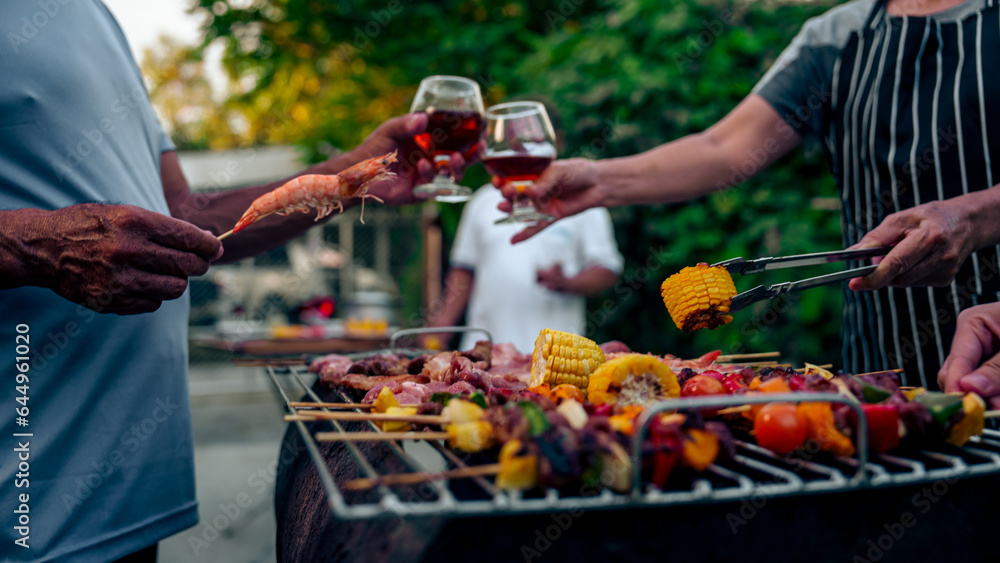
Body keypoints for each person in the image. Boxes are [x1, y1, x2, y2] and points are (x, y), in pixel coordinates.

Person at [0, 2, 464, 561]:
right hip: (25, 494)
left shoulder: (95, 16)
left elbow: (186, 214)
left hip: (129, 496)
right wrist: (35, 243)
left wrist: (347, 176)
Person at [501, 0, 1000, 399]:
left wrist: (973, 216)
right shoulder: (839, 35)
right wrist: (598, 181)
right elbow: (724, 148)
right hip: (877, 364)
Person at [425, 101, 623, 352]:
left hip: (556, 356)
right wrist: (441, 326)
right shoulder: (483, 201)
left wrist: (567, 282)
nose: (519, 146)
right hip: (482, 352)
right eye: (511, 139)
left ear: (556, 142)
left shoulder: (582, 202)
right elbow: (464, 270)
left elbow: (607, 269)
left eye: (531, 138)